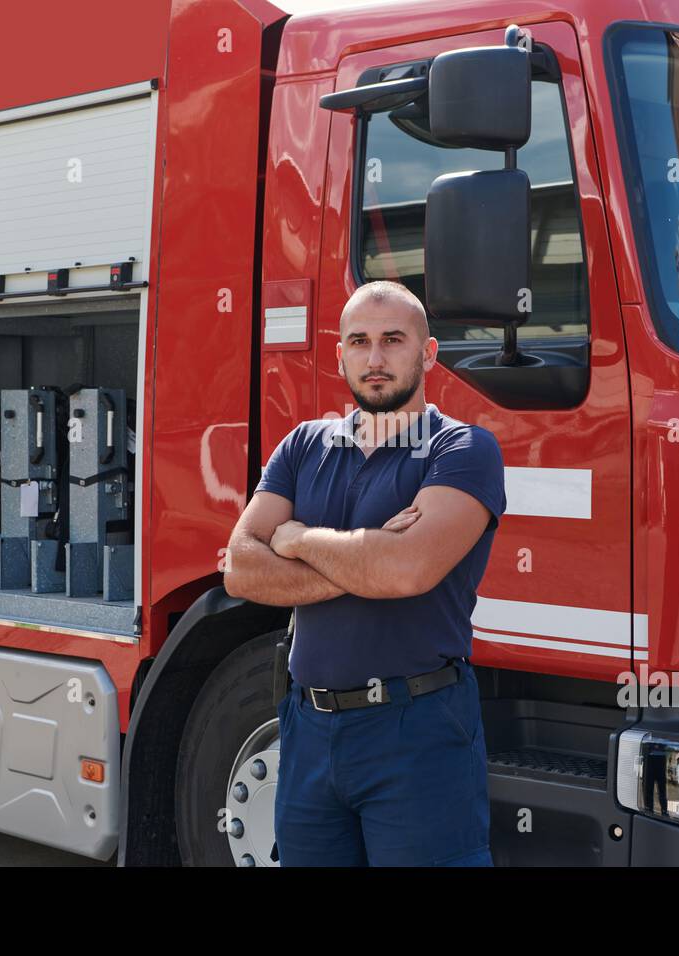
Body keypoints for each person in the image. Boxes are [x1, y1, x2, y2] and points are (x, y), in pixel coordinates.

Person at [224, 279, 506, 866]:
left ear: (428, 353)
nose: (375, 359)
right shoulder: (304, 445)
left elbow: (407, 571)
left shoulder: (463, 450)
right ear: (340, 356)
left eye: (393, 340)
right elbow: (242, 569)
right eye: (359, 342)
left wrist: (298, 539)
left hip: (417, 731)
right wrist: (369, 561)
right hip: (308, 729)